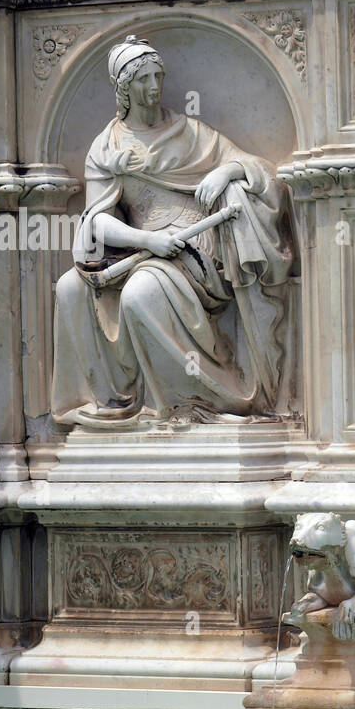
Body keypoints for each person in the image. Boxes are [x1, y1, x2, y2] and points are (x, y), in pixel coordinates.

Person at [51, 36, 296, 426]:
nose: (153, 88)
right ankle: (114, 399)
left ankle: (183, 405)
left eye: (157, 77)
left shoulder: (191, 133)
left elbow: (259, 168)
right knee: (69, 288)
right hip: (141, 247)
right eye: (142, 80)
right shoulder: (106, 145)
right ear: (123, 89)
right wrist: (147, 240)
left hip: (196, 249)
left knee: (141, 291)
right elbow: (96, 219)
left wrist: (227, 170)